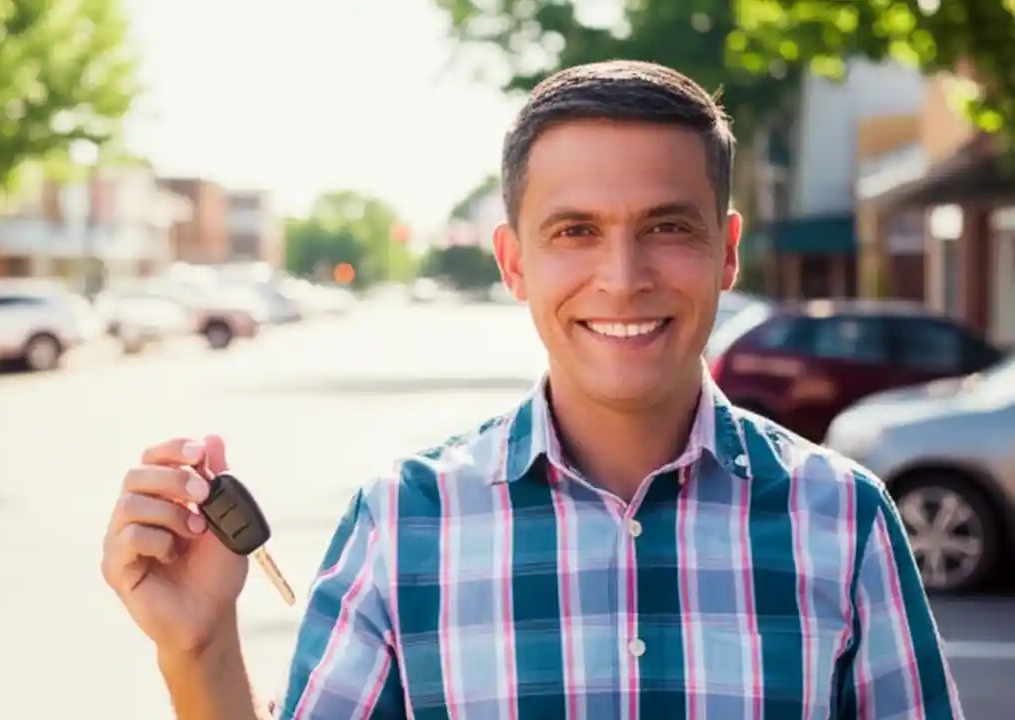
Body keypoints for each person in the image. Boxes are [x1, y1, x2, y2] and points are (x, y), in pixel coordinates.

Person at [101, 60, 964, 719]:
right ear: (515, 260)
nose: (622, 279)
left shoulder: (846, 521)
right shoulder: (405, 524)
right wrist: (201, 649)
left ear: (727, 250)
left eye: (667, 227)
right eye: (575, 231)